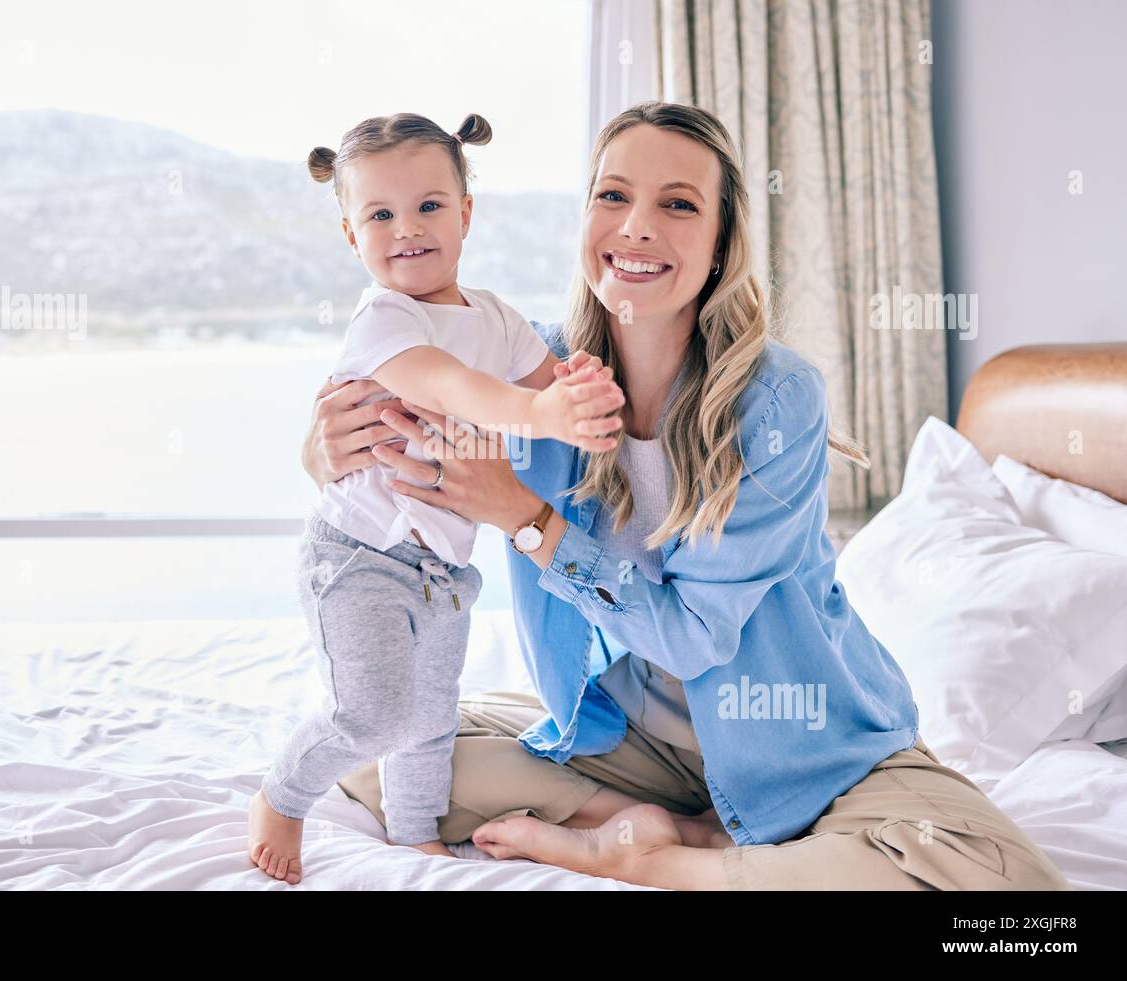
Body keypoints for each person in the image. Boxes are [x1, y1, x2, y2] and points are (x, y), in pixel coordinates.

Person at [301, 101, 1072, 891]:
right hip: (625, 734)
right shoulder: (532, 377)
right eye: (612, 196)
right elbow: (401, 437)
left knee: (1014, 896)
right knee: (380, 762)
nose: (636, 226)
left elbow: (692, 639)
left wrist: (527, 521)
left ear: (718, 244)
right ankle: (632, 818)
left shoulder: (775, 402)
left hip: (797, 744)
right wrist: (323, 447)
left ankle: (668, 857)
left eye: (677, 204)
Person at [249, 110, 626, 885]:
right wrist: (536, 413)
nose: (406, 229)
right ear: (353, 238)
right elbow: (454, 385)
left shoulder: (493, 316)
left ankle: (414, 832)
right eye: (379, 214)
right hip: (358, 558)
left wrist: (579, 392)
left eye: (427, 206)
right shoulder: (386, 319)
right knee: (374, 712)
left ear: (466, 213)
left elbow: (541, 379)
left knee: (429, 720)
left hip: (443, 572)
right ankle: (283, 796)